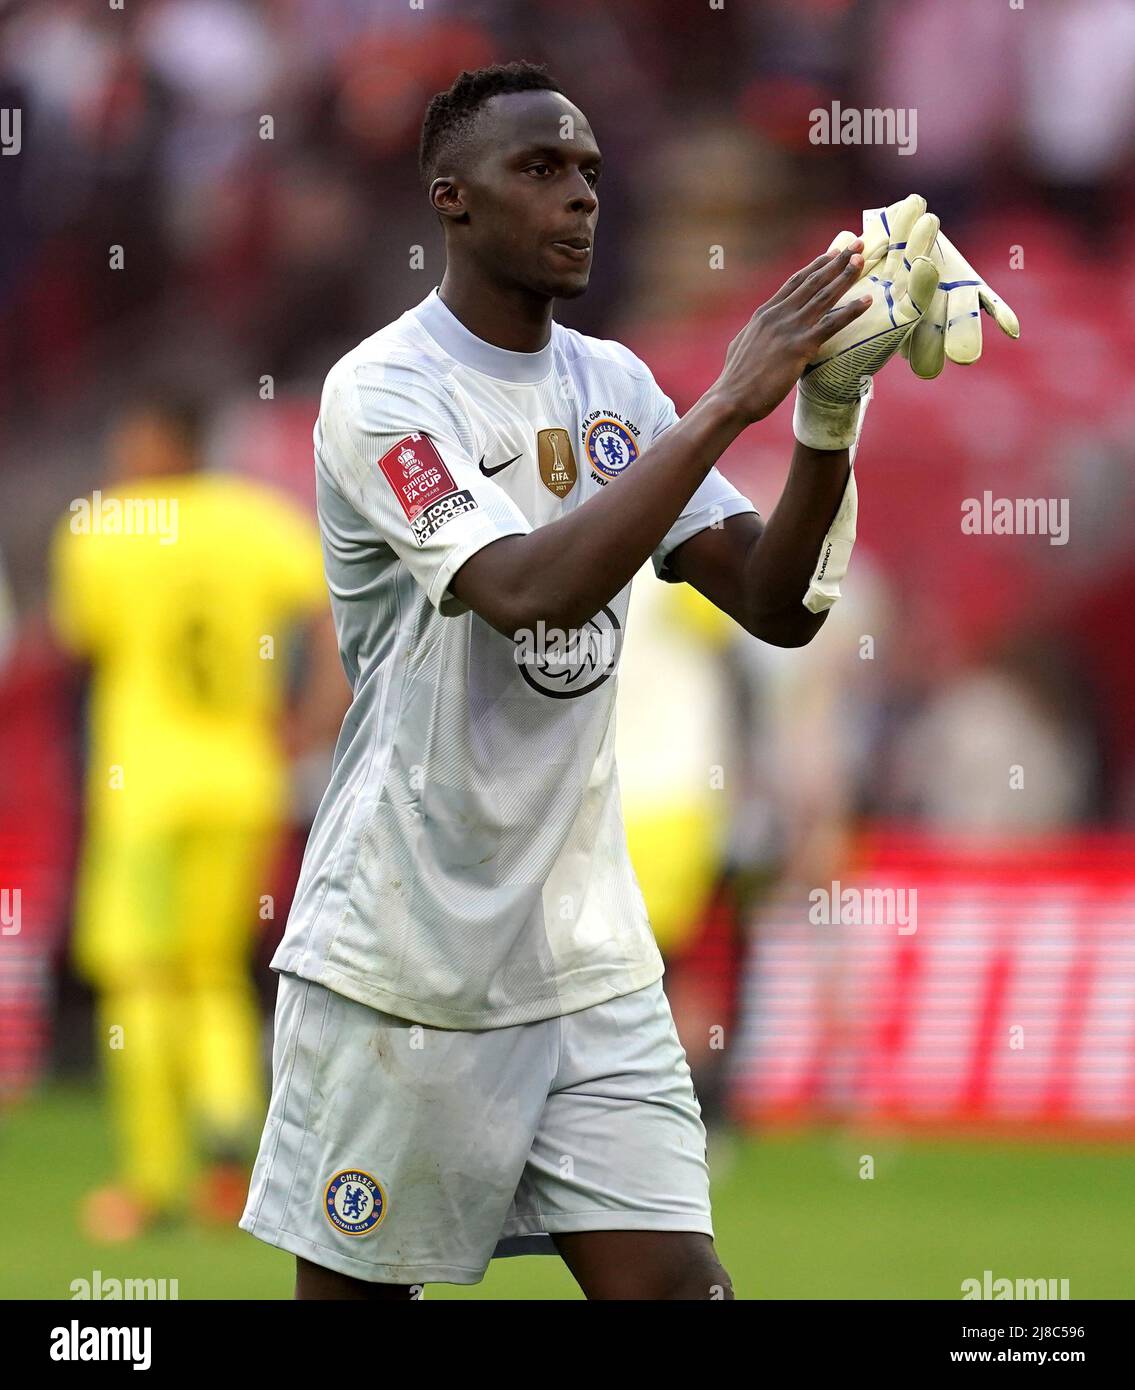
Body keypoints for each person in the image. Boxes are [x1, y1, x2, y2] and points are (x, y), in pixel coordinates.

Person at [239, 61, 927, 1300]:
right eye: (540, 170)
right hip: (407, 959)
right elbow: (520, 589)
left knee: (681, 1289)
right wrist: (726, 402)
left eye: (593, 174)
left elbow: (775, 603)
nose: (580, 199)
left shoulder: (615, 385)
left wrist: (825, 418)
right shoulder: (382, 392)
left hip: (586, 963)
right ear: (451, 198)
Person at [50, 396, 336, 1240]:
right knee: (211, 970)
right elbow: (332, 609)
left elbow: (81, 644)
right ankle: (227, 1151)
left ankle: (149, 1178)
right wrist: (315, 720)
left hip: (143, 786)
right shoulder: (257, 520)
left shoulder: (102, 527)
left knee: (139, 974)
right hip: (242, 777)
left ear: (151, 439)